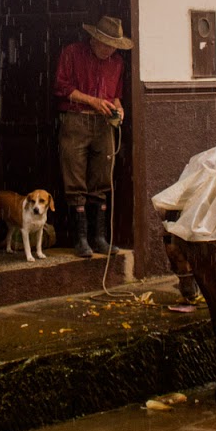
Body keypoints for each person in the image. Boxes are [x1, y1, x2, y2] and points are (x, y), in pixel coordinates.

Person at [54, 15, 132, 258]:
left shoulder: (117, 62)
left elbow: (116, 94)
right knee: (75, 175)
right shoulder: (72, 53)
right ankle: (80, 239)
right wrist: (92, 101)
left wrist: (119, 109)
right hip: (76, 118)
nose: (109, 50)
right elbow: (61, 87)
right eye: (105, 44)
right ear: (94, 39)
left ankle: (99, 237)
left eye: (113, 46)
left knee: (101, 176)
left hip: (104, 123)